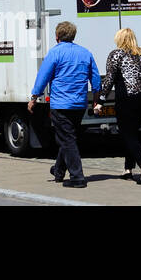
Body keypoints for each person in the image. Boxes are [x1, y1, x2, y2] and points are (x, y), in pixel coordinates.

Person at [28, 21, 101, 188]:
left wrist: (34, 98)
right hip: (79, 105)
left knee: (67, 139)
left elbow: (43, 77)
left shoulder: (54, 53)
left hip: (60, 104)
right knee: (68, 137)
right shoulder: (85, 53)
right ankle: (59, 171)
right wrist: (96, 98)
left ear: (57, 36)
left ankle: (77, 177)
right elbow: (96, 79)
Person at [94, 27, 141, 183]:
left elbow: (109, 80)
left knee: (127, 133)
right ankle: (128, 169)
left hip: (127, 100)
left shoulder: (116, 55)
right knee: (131, 132)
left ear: (119, 39)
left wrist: (100, 101)